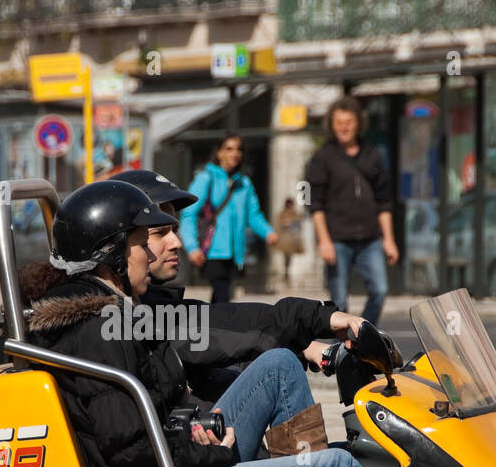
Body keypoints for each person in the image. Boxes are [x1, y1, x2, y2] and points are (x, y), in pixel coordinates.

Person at [20, 179, 387, 467]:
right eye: (143, 241)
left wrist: (316, 327)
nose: (155, 251)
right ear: (112, 252)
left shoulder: (118, 313)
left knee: (279, 367)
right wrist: (206, 453)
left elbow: (223, 325)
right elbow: (128, 449)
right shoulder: (102, 330)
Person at [110, 167, 365, 403]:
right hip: (190, 449)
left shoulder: (145, 302)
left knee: (260, 361)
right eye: (158, 234)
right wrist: (315, 320)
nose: (177, 242)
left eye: (174, 230)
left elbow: (220, 328)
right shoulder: (119, 317)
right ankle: (308, 454)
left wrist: (308, 344)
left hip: (196, 444)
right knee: (279, 367)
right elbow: (215, 328)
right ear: (120, 244)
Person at [304, 96, 398, 325]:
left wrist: (389, 239)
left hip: (371, 238)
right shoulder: (322, 158)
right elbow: (314, 204)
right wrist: (323, 240)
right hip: (337, 239)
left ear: (358, 123)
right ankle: (343, 348)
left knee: (380, 290)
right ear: (331, 125)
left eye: (349, 121)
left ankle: (362, 336)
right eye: (339, 122)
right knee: (339, 302)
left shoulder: (373, 154)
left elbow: (384, 200)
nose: (344, 127)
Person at [180, 133, 277, 304]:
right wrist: (192, 247)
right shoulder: (206, 178)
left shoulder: (244, 183)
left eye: (238, 149)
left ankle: (211, 327)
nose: (235, 153)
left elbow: (253, 215)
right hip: (211, 250)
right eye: (229, 148)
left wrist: (268, 232)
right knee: (222, 293)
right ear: (219, 153)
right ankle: (219, 328)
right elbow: (188, 213)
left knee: (222, 297)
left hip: (235, 251)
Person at [274, 197, 305, 284]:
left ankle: (287, 273)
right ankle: (286, 273)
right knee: (287, 257)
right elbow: (280, 224)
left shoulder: (294, 213)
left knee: (289, 257)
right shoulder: (283, 213)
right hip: (286, 240)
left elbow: (299, 222)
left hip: (292, 239)